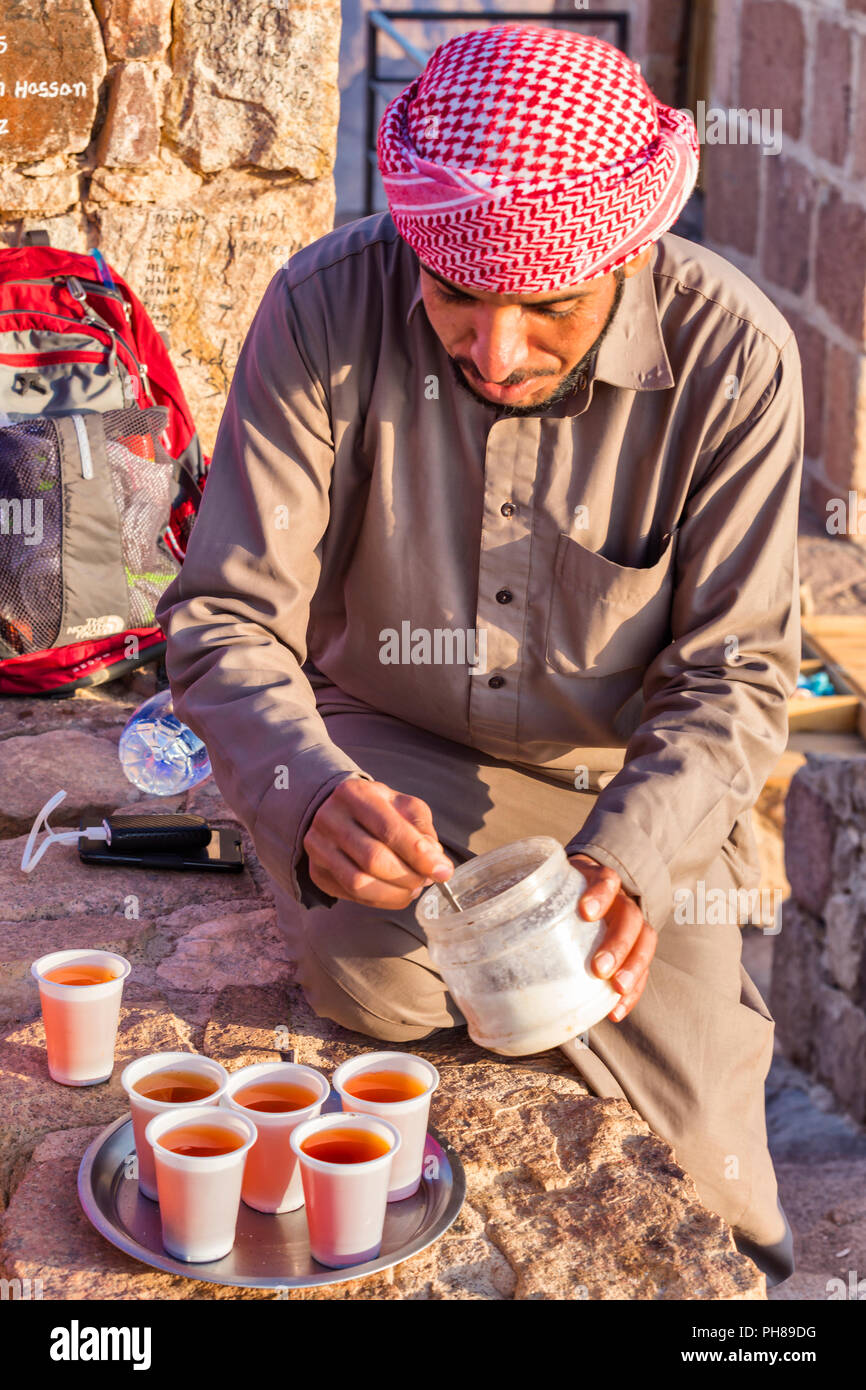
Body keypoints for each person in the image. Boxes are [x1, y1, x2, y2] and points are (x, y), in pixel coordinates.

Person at [155, 24, 803, 1286]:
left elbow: (734, 677)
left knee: (714, 1182)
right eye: (453, 294)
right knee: (375, 977)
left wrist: (629, 859)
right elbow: (225, 615)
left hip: (626, 788)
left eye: (547, 307)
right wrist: (310, 795)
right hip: (389, 745)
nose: (491, 354)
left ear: (626, 256)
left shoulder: (733, 358)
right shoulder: (321, 309)